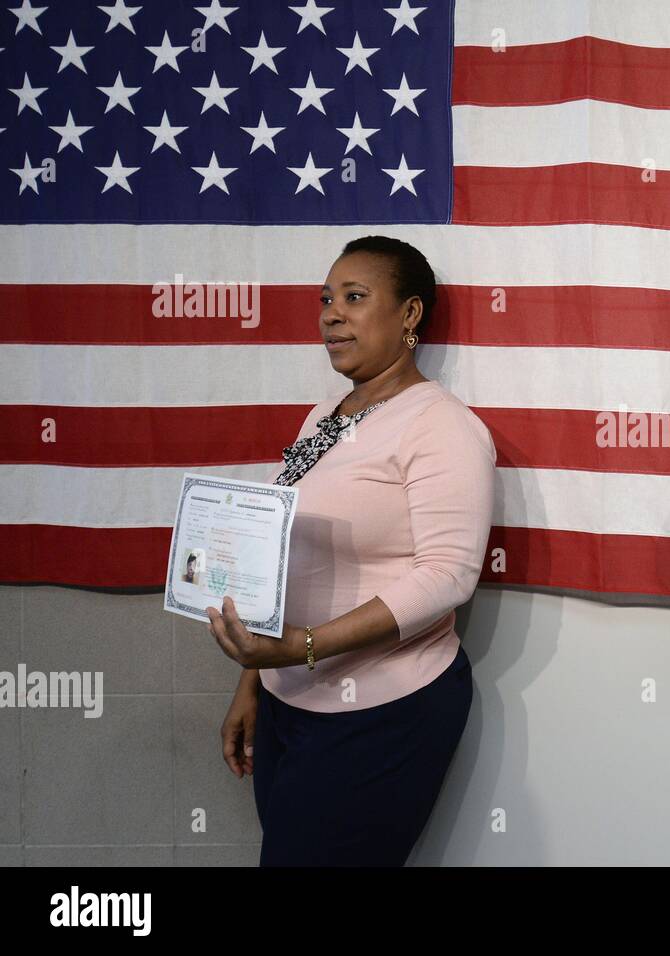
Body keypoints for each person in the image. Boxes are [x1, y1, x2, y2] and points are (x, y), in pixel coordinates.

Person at [211, 235, 496, 866]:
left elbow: (448, 576)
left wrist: (301, 648)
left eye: (355, 297)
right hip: (289, 704)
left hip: (385, 712)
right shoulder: (325, 417)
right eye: (325, 299)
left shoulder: (441, 425)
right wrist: (255, 680)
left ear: (410, 315)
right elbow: (282, 552)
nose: (330, 314)